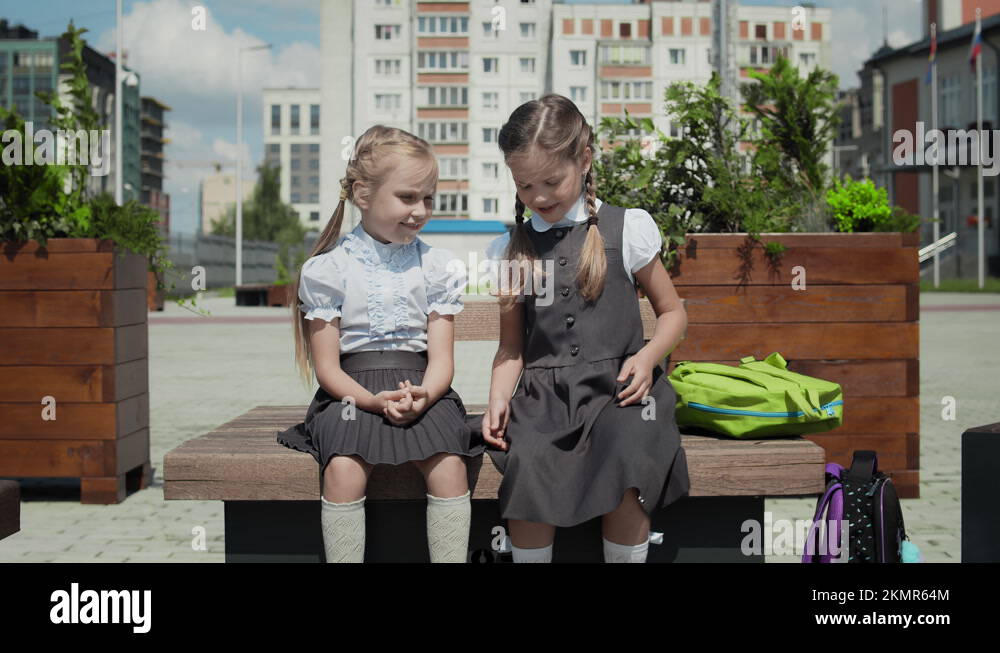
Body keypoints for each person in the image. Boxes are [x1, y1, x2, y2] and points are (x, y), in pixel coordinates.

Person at [479, 94, 691, 563]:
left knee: (628, 447)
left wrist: (647, 357)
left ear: (585, 159)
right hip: (545, 399)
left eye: (551, 181)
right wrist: (497, 398)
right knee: (528, 459)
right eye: (524, 185)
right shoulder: (512, 250)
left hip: (622, 392)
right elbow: (511, 349)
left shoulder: (627, 229)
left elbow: (674, 313)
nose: (538, 196)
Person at [277, 125, 484, 563]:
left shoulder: (436, 266)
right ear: (362, 195)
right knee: (344, 468)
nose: (420, 210)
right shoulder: (328, 270)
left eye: (428, 198)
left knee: (449, 465)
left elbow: (442, 361)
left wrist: (425, 394)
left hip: (424, 389)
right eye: (408, 197)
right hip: (350, 394)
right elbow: (328, 369)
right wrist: (370, 402)